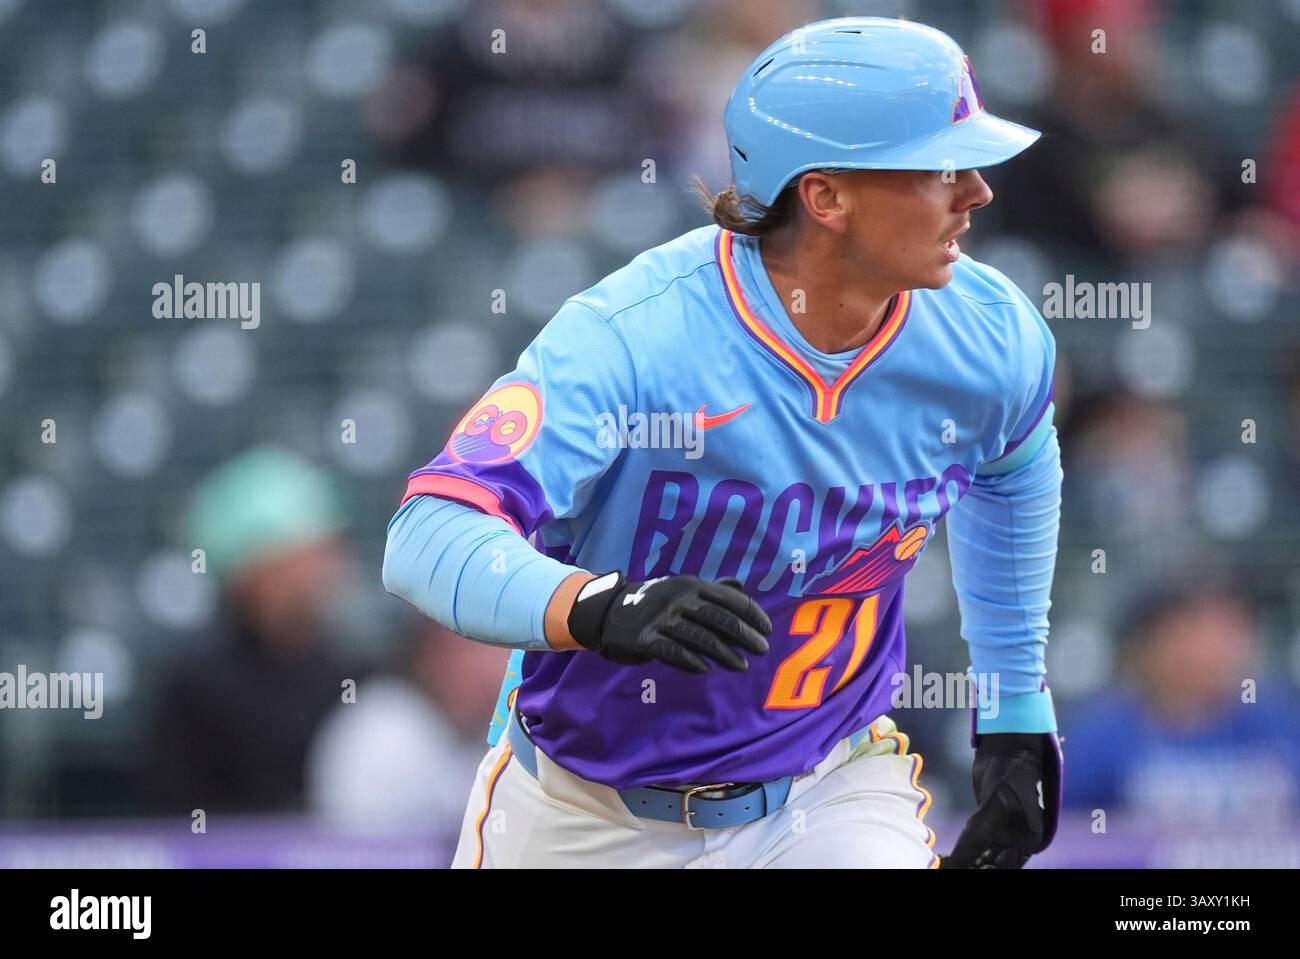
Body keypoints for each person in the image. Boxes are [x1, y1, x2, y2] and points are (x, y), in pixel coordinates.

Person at [384, 17, 1063, 868]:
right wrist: (597, 605)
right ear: (826, 197)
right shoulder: (634, 337)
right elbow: (425, 535)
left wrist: (1012, 708)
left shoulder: (987, 333)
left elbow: (1014, 468)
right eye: (939, 167)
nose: (976, 191)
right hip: (587, 805)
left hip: (828, 788)